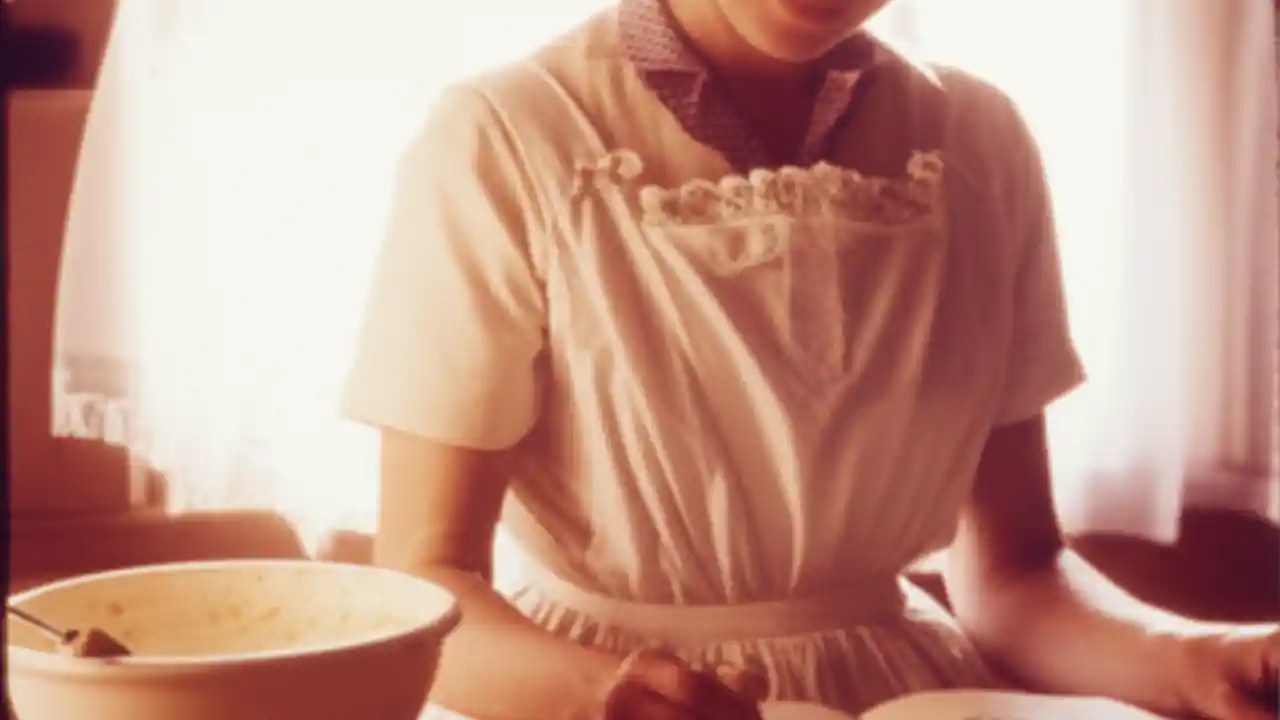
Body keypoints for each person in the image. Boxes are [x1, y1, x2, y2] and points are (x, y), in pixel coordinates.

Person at [341, 0, 1280, 718]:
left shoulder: (980, 139)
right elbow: (428, 581)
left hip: (907, 691)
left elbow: (1016, 574)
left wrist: (1194, 659)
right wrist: (607, 692)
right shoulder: (506, 137)